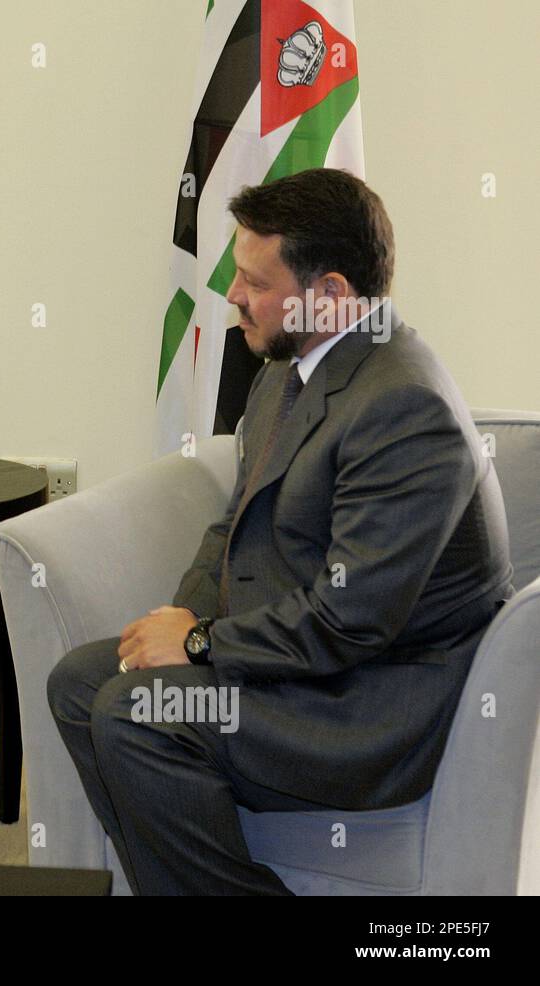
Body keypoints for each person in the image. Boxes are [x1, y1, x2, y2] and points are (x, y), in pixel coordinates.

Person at [47, 167, 514, 895]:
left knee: (139, 714)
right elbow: (232, 525)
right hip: (309, 664)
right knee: (80, 681)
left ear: (329, 295)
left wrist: (200, 646)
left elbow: (351, 621)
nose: (231, 296)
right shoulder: (290, 367)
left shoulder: (403, 407)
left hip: (370, 704)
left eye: (254, 281)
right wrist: (186, 620)